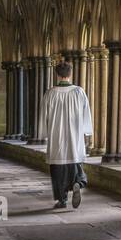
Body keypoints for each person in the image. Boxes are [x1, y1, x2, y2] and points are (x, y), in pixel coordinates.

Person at [37, 60, 93, 208]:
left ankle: (62, 200)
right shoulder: (79, 92)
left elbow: (43, 116)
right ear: (70, 73)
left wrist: (43, 133)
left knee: (57, 169)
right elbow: (86, 114)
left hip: (57, 138)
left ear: (57, 74)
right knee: (75, 163)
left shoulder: (50, 93)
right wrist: (86, 131)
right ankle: (77, 182)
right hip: (74, 137)